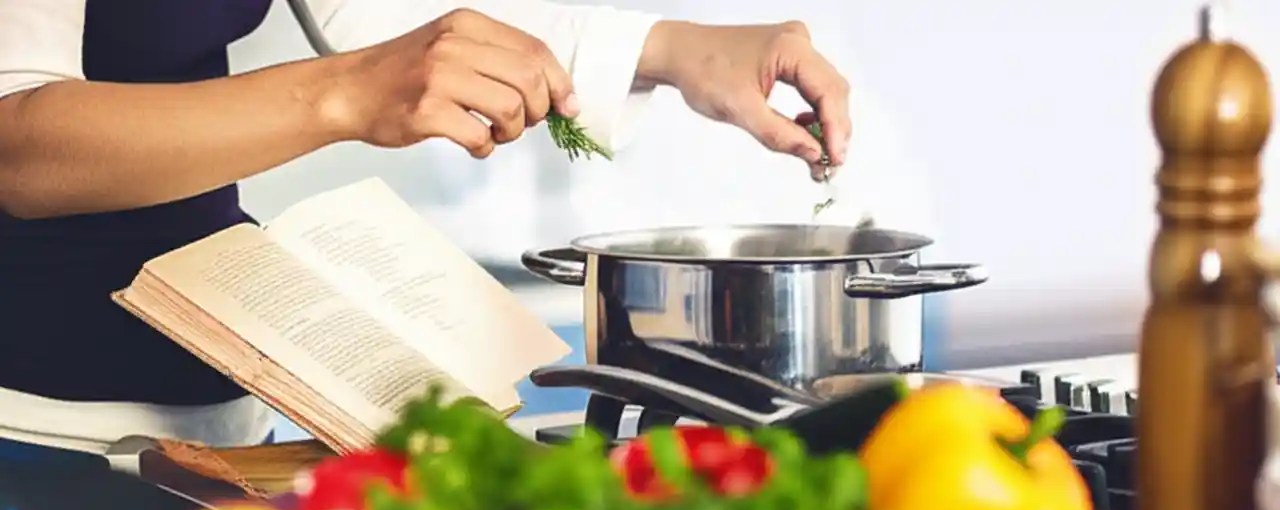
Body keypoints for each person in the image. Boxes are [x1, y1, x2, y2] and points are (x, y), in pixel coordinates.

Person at [0, 0, 853, 454]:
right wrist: (341, 94)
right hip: (32, 426)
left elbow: (388, 16)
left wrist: (675, 49)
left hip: (220, 398)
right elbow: (18, 146)